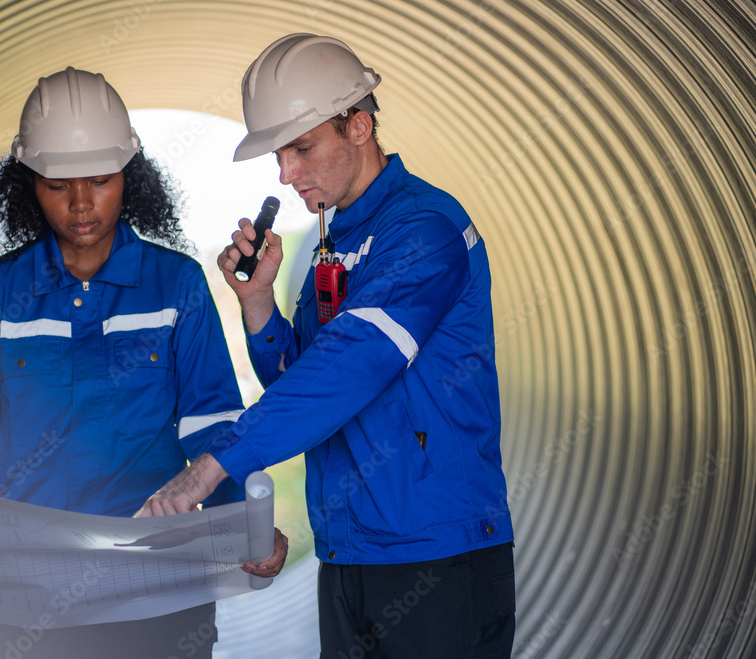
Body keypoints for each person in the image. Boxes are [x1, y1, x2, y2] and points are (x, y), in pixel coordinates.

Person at [0, 67, 287, 658]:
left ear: (129, 177)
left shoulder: (176, 286)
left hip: (160, 587)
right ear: (27, 184)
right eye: (58, 185)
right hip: (23, 592)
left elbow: (211, 429)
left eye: (100, 180)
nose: (81, 203)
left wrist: (245, 527)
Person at [137, 34, 515, 657]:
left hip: (438, 556)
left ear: (359, 127)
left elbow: (349, 369)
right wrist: (258, 305)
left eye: (303, 148)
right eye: (279, 156)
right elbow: (302, 385)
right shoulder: (333, 243)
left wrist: (210, 468)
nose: (286, 175)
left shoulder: (424, 230)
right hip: (349, 551)